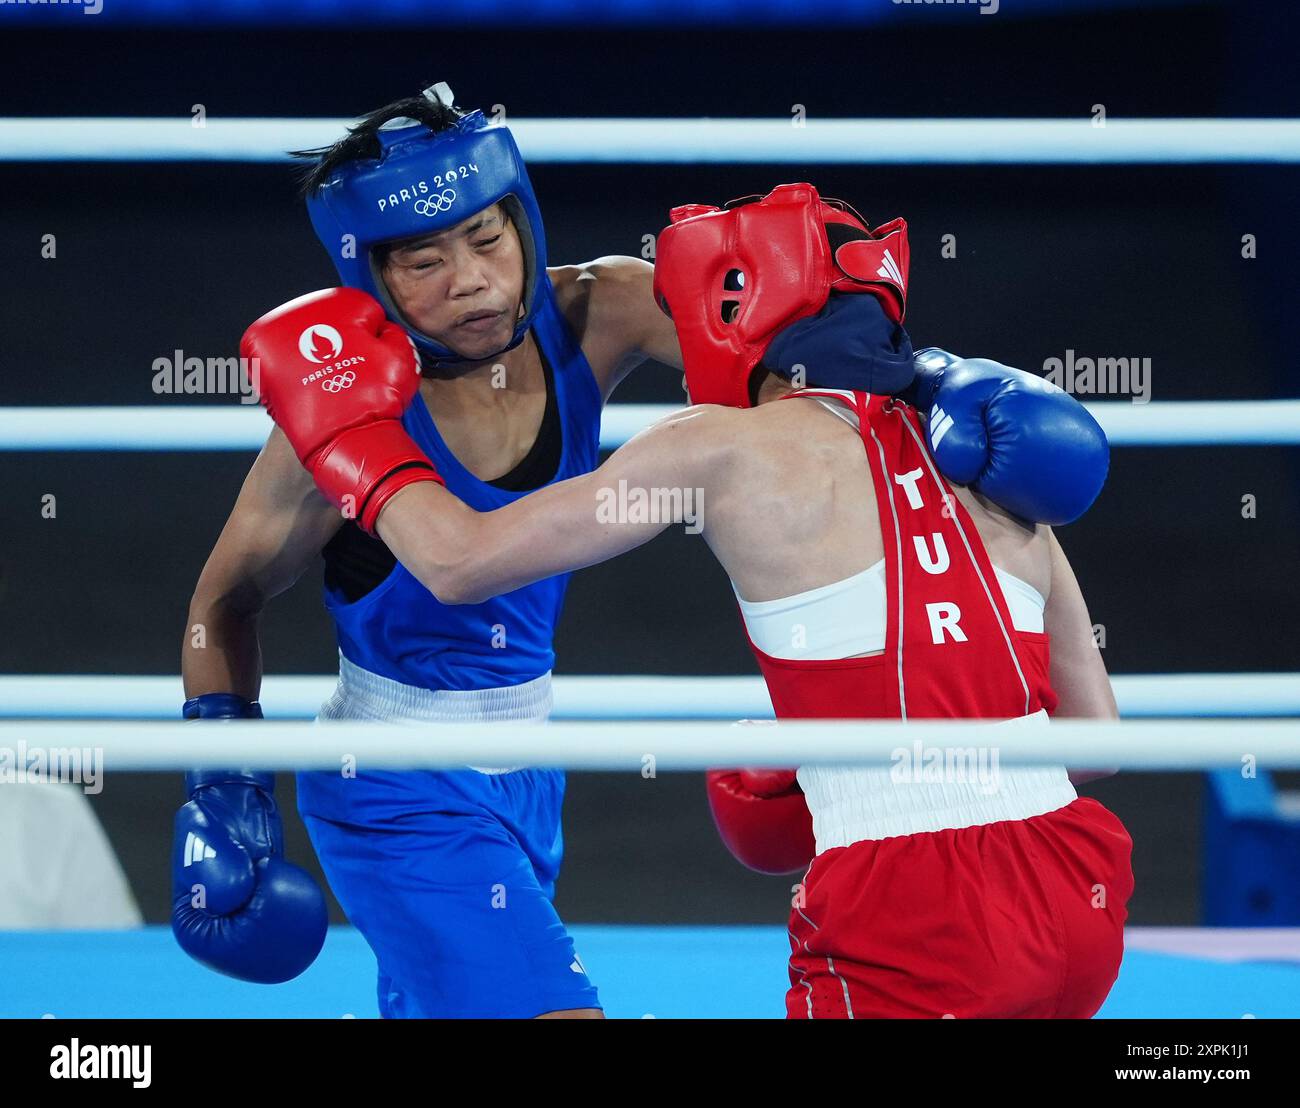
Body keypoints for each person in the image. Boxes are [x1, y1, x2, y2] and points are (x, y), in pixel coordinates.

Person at [189, 92, 1114, 1019]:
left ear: (521, 218)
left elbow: (784, 350)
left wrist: (943, 376)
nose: (469, 280)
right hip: (394, 770)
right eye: (424, 261)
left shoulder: (599, 306)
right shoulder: (332, 422)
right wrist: (222, 781)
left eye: (486, 239)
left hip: (527, 758)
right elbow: (223, 603)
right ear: (369, 276)